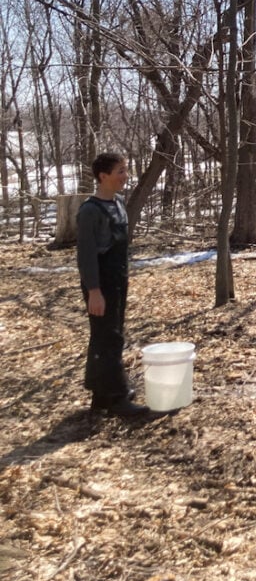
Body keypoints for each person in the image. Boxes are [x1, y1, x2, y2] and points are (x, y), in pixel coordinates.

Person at [76, 153, 148, 417]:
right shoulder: (89, 211)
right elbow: (85, 256)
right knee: (109, 336)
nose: (125, 176)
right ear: (103, 176)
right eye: (120, 171)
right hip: (100, 283)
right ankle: (118, 399)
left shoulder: (117, 203)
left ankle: (100, 395)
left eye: (125, 170)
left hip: (118, 279)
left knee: (108, 335)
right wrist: (94, 291)